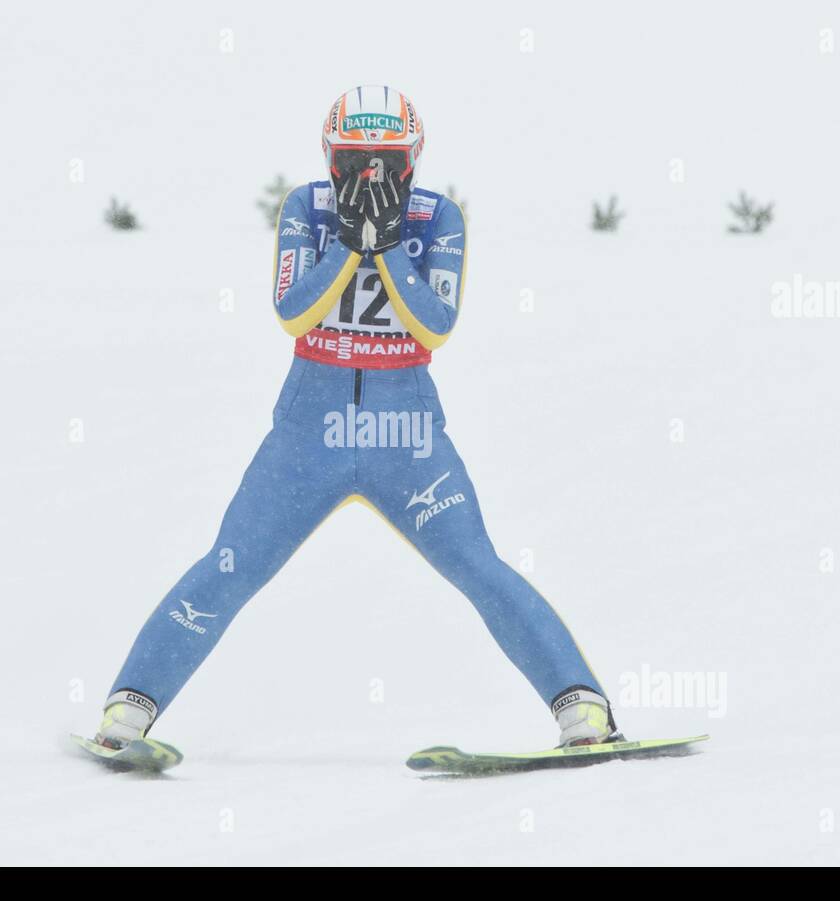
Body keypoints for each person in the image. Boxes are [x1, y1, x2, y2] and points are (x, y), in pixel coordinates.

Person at [93, 86, 619, 752]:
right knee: (232, 564)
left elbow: (435, 325)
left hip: (407, 437)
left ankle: (584, 707)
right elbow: (293, 312)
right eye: (352, 160)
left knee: (477, 566)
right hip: (307, 435)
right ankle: (127, 709)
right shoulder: (306, 208)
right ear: (328, 154)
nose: (369, 175)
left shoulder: (437, 219)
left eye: (387, 161)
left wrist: (391, 246)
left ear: (414, 158)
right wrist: (348, 244)